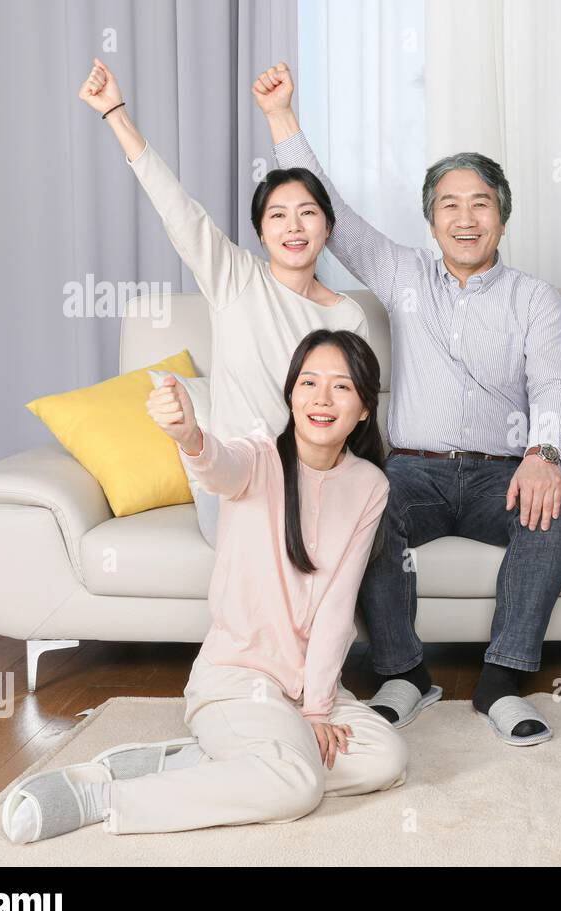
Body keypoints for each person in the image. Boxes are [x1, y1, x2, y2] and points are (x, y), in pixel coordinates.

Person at [253, 63, 561, 745]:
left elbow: (552, 385)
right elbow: (330, 211)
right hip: (415, 471)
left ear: (503, 216)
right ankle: (406, 673)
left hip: (500, 475)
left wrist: (544, 454)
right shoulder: (402, 273)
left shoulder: (534, 298)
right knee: (360, 493)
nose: (466, 217)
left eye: (480, 203)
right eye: (450, 205)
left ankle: (502, 679)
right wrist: (282, 117)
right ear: (430, 219)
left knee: (559, 501)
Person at [2, 329, 403, 843]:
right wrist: (188, 435)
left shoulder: (370, 484)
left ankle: (204, 760)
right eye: (309, 382)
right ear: (291, 395)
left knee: (384, 758)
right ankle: (107, 794)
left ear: (365, 408)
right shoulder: (257, 459)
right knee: (297, 787)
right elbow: (217, 464)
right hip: (236, 678)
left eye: (342, 387)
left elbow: (338, 606)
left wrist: (318, 706)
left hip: (307, 683)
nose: (322, 399)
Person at [78, 57, 368, 547]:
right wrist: (116, 114)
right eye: (277, 216)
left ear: (328, 228)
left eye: (307, 214)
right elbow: (178, 210)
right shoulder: (234, 277)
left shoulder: (347, 315)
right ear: (260, 233)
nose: (293, 228)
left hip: (312, 482)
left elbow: (350, 420)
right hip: (235, 479)